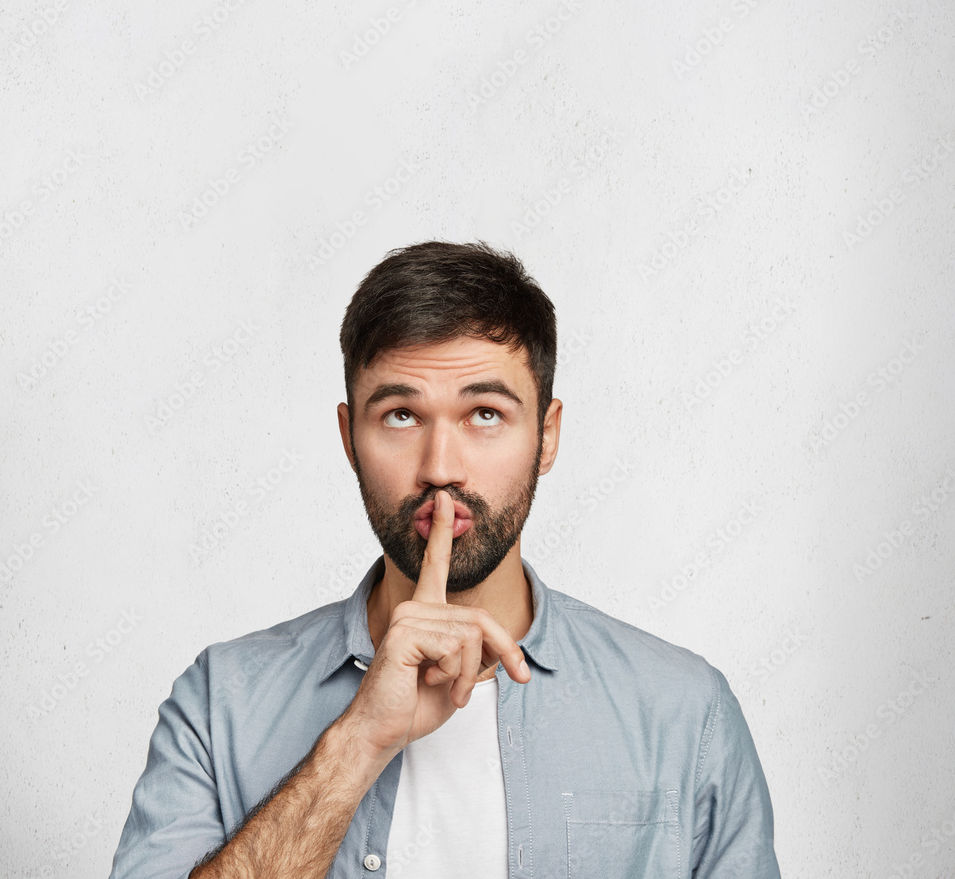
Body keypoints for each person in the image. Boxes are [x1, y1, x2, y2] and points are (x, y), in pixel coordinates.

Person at [108, 240, 781, 879]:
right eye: (401, 415)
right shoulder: (221, 701)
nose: (440, 468)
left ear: (546, 436)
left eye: (485, 414)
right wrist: (356, 744)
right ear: (349, 439)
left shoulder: (683, 713)